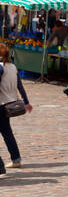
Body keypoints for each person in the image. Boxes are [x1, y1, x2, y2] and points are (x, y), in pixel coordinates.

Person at [0, 42, 32, 172]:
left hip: (1, 104)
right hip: (9, 104)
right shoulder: (13, 67)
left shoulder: (0, 67)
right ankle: (16, 159)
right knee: (7, 133)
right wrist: (26, 101)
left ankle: (2, 166)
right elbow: (20, 85)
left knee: (7, 133)